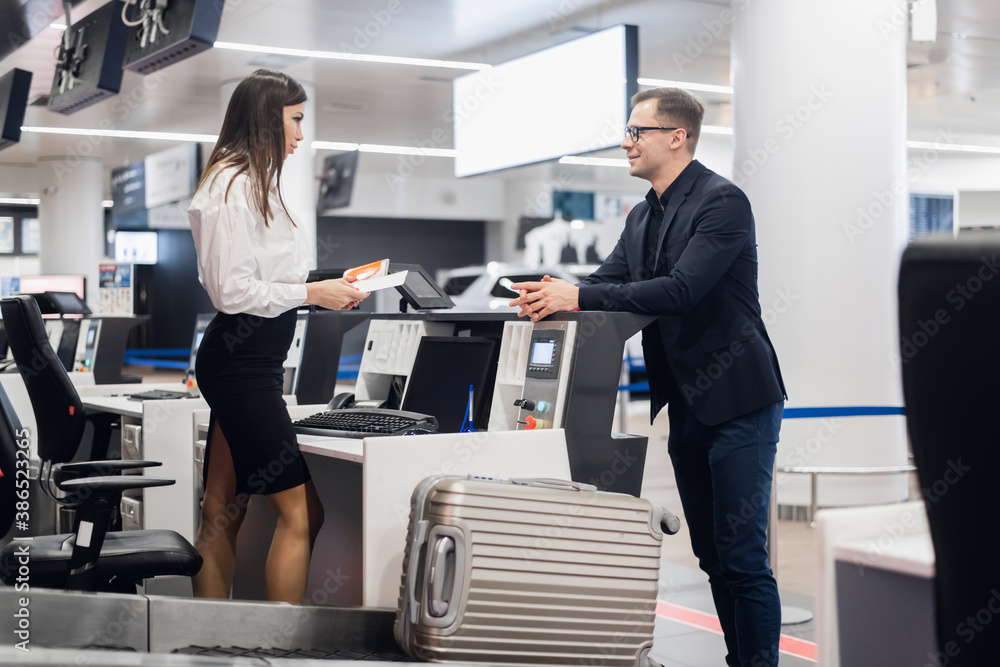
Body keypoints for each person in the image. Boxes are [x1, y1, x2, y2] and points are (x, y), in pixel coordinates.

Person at [509, 87, 786, 667]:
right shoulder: (642, 215)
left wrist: (579, 293)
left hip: (738, 398)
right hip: (686, 401)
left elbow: (681, 291)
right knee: (711, 554)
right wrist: (549, 298)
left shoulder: (722, 202)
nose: (625, 142)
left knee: (742, 556)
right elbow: (608, 282)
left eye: (637, 131)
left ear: (677, 137)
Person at [188, 69, 368, 604]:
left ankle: (208, 639)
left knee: (221, 513)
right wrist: (314, 295)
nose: (300, 134)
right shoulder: (231, 184)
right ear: (268, 117)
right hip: (239, 364)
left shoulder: (255, 183)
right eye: (294, 121)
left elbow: (270, 281)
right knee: (302, 513)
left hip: (253, 364)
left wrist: (328, 285)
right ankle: (278, 650)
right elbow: (232, 293)